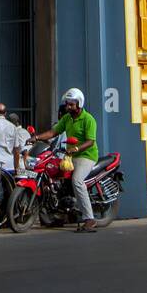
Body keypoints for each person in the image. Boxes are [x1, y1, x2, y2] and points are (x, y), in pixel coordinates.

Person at [35, 87, 99, 232]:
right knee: (55, 177)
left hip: (86, 156)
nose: (68, 107)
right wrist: (36, 138)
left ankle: (90, 219)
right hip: (70, 156)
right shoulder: (67, 118)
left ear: (79, 103)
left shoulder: (88, 119)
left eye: (71, 104)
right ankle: (59, 213)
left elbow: (90, 141)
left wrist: (75, 148)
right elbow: (53, 132)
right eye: (67, 104)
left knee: (77, 180)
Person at [0, 102, 17, 175]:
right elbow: (16, 150)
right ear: (5, 113)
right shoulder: (13, 127)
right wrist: (16, 168)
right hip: (10, 166)